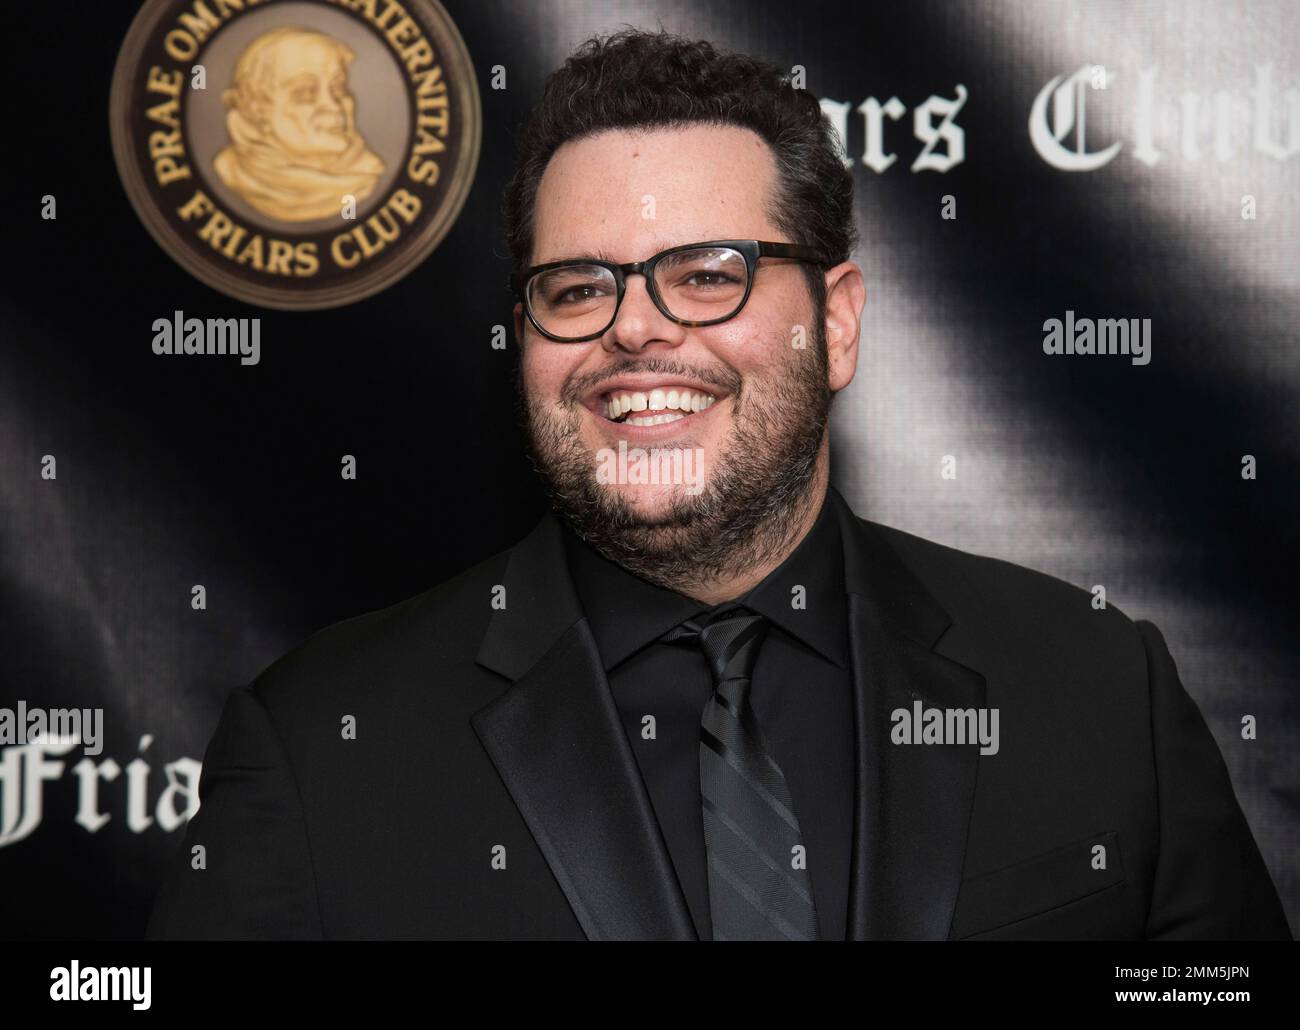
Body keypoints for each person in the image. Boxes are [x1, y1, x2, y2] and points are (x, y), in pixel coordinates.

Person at [146, 28, 1291, 941]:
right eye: (577, 287)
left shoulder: (1094, 684)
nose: (634, 329)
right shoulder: (318, 747)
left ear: (834, 324)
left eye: (707, 274)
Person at [212, 27, 384, 222]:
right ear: (258, 110)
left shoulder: (369, 169)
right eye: (304, 92)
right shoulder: (231, 172)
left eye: (339, 87)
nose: (333, 105)